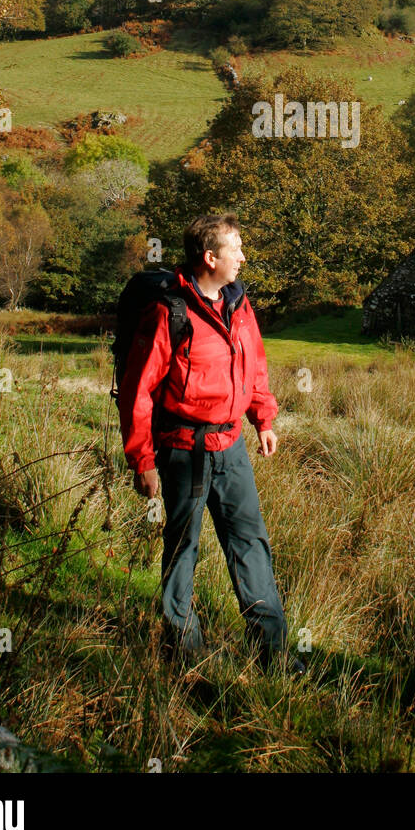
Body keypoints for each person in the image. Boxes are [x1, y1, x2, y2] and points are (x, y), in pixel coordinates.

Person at [116, 212, 304, 674]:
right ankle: (181, 648)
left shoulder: (239, 306)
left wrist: (264, 418)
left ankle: (275, 655)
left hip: (233, 448)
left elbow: (254, 365)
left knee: (250, 543)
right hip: (182, 450)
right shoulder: (170, 313)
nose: (242, 258)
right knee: (183, 547)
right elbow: (138, 390)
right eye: (234, 249)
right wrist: (142, 460)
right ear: (209, 257)